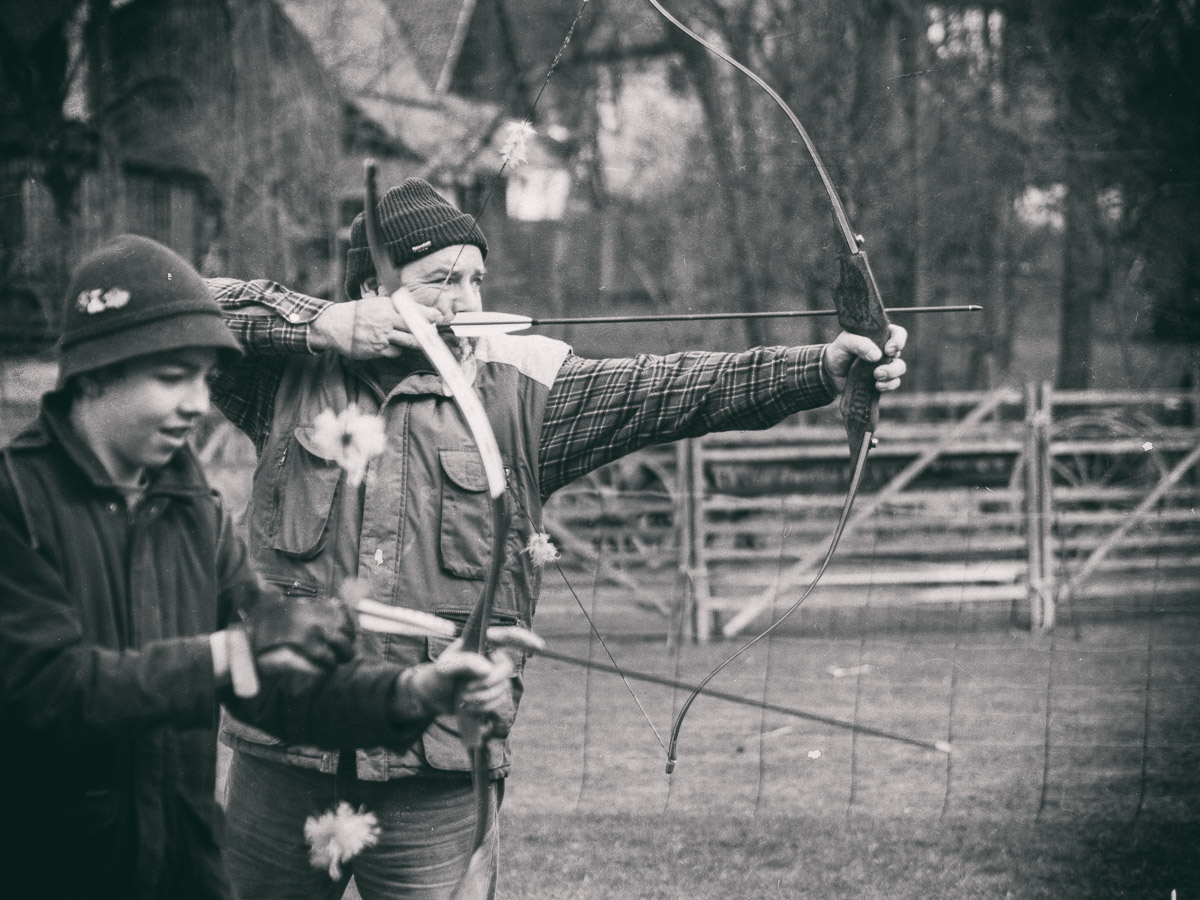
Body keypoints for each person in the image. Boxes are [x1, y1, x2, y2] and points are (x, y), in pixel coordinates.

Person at [206, 178, 909, 899]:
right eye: (441, 280)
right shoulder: (285, 377)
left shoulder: (525, 388)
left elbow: (674, 388)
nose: (467, 302)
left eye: (476, 279)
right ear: (370, 289)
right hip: (286, 750)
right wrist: (320, 323)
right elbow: (183, 306)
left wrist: (821, 368)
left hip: (440, 764)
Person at [0, 235, 518, 900]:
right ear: (95, 372)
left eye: (201, 377)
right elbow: (53, 694)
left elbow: (274, 685)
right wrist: (231, 651)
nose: (195, 402)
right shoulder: (17, 504)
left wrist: (416, 692)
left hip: (180, 873)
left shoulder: (189, 507)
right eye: (170, 377)